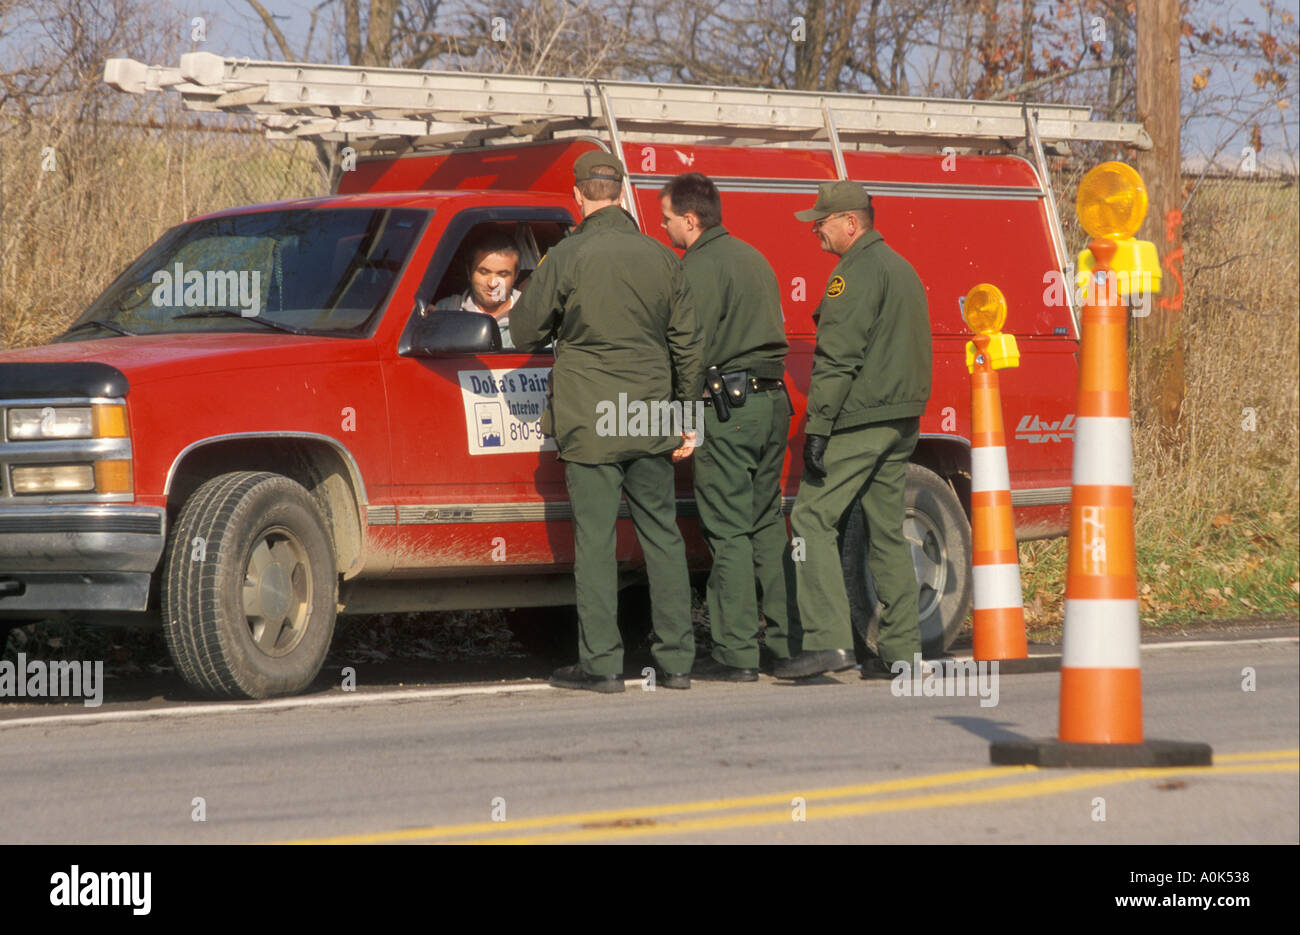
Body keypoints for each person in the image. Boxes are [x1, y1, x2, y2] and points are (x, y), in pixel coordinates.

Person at [510, 150, 704, 693]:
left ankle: (601, 664)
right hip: (647, 414)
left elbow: (523, 331)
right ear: (621, 193)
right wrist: (688, 418)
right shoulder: (661, 257)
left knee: (595, 540)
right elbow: (687, 344)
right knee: (662, 535)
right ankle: (678, 662)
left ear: (578, 195)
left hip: (590, 417)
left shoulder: (565, 257)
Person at [774, 180, 932, 681]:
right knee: (885, 531)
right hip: (902, 421)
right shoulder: (902, 268)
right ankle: (901, 653)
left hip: (861, 420)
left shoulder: (854, 274)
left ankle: (826, 643)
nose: (815, 230)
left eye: (821, 222)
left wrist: (818, 428)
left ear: (851, 223)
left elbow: (837, 358)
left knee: (811, 520)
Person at [659, 172, 797, 682]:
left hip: (726, 409)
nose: (664, 226)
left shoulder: (695, 268)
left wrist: (682, 417)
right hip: (771, 402)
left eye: (668, 219)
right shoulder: (753, 257)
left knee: (728, 529)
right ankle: (786, 645)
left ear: (690, 220)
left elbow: (689, 351)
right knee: (765, 524)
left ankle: (738, 653)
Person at [435, 231, 521, 348]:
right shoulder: (445, 311)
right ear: (469, 273)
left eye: (502, 274)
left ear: (516, 276)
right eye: (484, 272)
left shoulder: (536, 315)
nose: (492, 283)